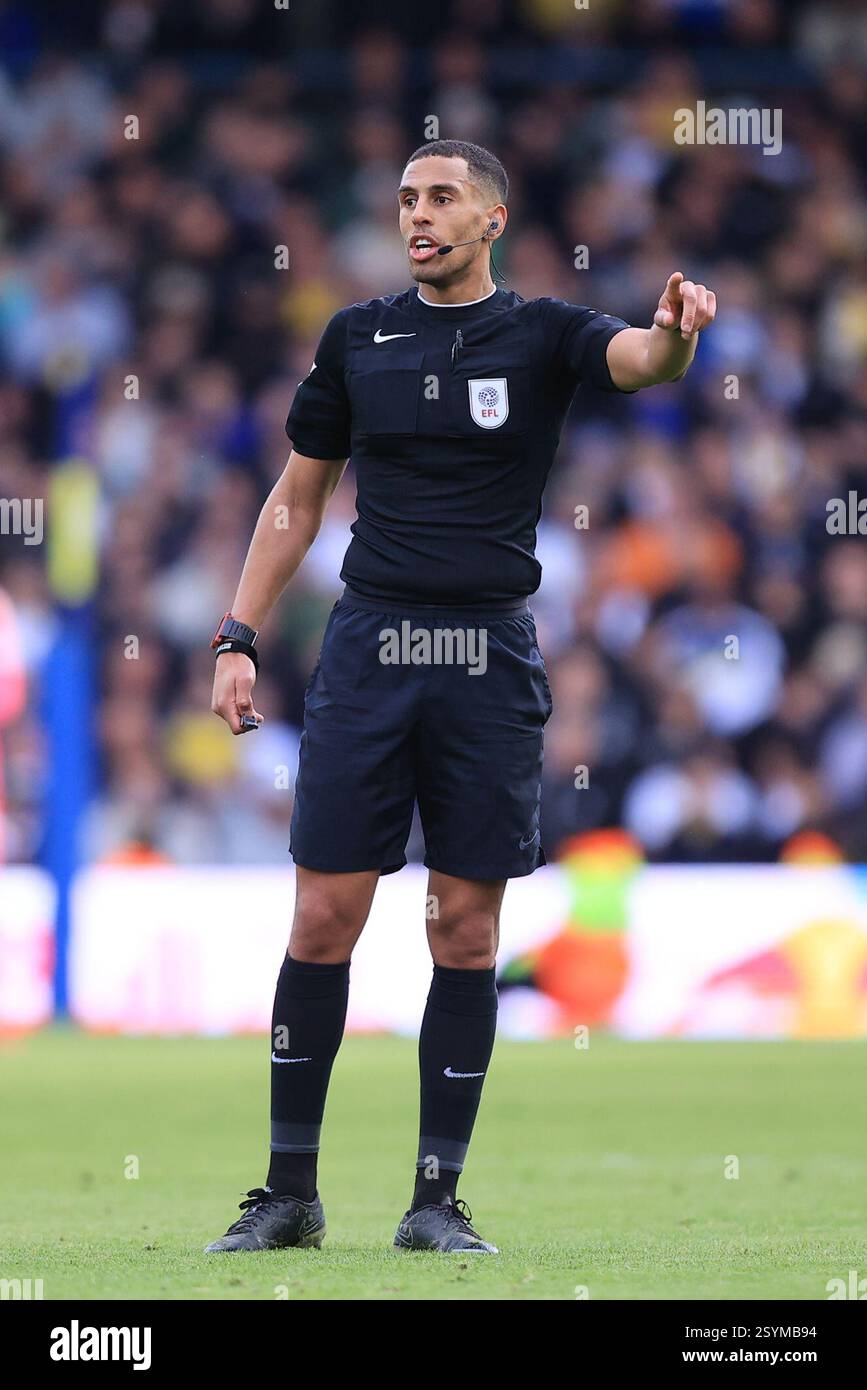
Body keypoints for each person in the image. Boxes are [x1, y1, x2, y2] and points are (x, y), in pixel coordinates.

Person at [205, 140, 717, 1255]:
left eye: (441, 197)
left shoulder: (545, 331)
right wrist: (237, 633)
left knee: (468, 930)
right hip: (371, 650)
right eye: (405, 199)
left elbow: (639, 361)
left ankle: (436, 1200)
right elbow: (297, 500)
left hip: (488, 657)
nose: (417, 215)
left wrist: (676, 335)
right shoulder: (355, 337)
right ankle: (289, 1192)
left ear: (492, 217)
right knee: (323, 917)